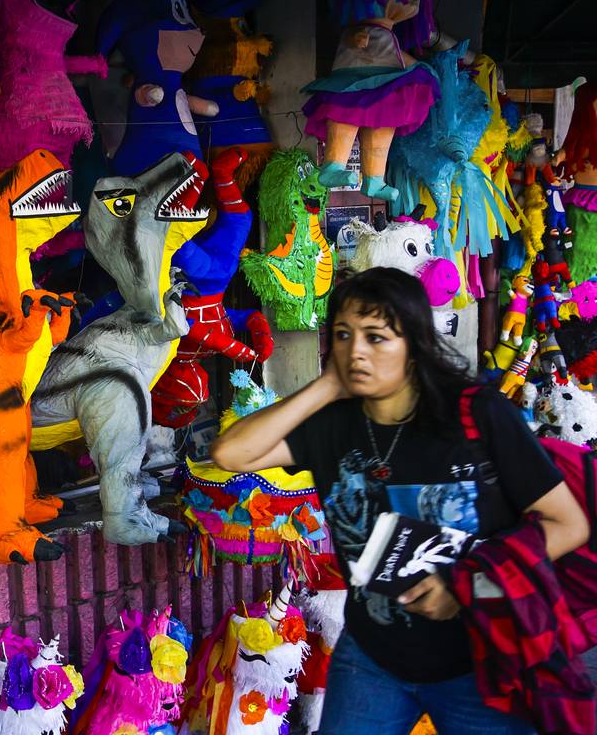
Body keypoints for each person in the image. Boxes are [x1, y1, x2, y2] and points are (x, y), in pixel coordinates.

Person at [210, 266, 590, 735]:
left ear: (414, 344)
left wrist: (462, 583)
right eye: (344, 335)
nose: (357, 352)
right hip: (373, 658)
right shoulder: (335, 426)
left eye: (377, 337)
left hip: (480, 658)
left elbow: (567, 523)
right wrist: (327, 385)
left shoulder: (474, 415)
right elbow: (230, 453)